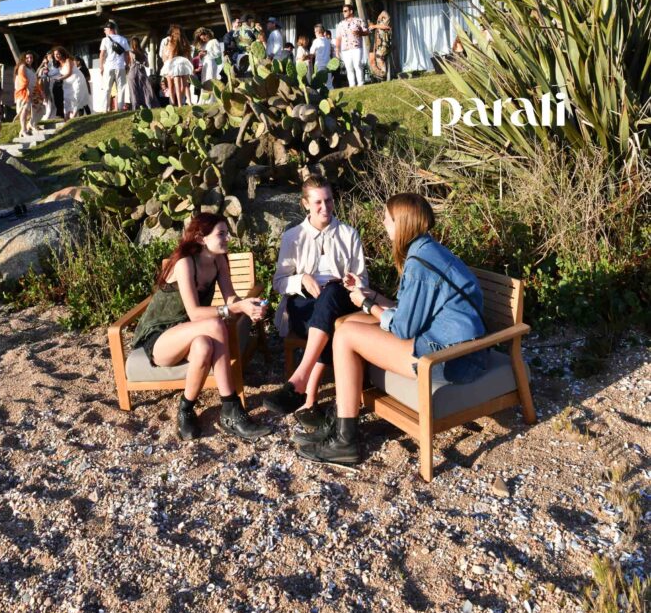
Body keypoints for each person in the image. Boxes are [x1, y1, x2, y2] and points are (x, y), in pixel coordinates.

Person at [294, 193, 488, 466]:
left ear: (402, 223)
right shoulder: (427, 250)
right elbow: (409, 311)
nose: (383, 223)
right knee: (346, 324)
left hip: (452, 359)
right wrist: (369, 296)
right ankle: (340, 422)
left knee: (346, 335)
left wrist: (367, 305)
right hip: (450, 345)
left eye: (387, 219)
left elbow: (403, 328)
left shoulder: (419, 263)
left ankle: (345, 442)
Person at [130, 213, 272, 441]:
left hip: (191, 330)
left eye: (227, 233)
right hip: (160, 337)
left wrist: (248, 306)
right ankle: (231, 407)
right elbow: (195, 313)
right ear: (201, 238)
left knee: (204, 346)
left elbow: (230, 298)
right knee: (215, 325)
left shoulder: (219, 260)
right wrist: (236, 308)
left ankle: (185, 409)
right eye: (221, 234)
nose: (227, 238)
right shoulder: (185, 263)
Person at [263, 176, 368, 425]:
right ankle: (309, 402)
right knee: (329, 324)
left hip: (340, 300)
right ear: (305, 204)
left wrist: (353, 283)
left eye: (328, 200)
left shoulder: (348, 234)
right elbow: (279, 282)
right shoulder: (293, 237)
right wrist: (301, 279)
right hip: (305, 305)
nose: (325, 207)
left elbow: (363, 280)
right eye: (318, 202)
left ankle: (300, 384)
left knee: (331, 294)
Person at [335, 3, 369, 87]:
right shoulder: (341, 24)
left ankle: (361, 83)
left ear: (351, 11)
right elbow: (338, 38)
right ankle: (352, 85)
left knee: (357, 65)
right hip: (345, 49)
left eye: (345, 11)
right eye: (343, 11)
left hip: (356, 47)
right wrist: (337, 49)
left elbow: (367, 31)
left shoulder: (359, 21)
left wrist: (360, 33)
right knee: (349, 67)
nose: (343, 13)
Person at [99, 20, 130, 112]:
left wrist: (101, 66)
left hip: (109, 66)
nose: (104, 31)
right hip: (120, 66)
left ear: (109, 29)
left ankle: (105, 109)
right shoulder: (123, 39)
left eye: (105, 30)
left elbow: (102, 54)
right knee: (121, 88)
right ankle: (120, 107)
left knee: (106, 88)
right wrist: (127, 65)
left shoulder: (105, 40)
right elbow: (127, 54)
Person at [53, 46, 91, 119]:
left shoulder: (68, 60)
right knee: (67, 99)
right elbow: (59, 74)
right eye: (54, 54)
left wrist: (60, 78)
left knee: (76, 97)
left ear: (62, 54)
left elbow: (69, 73)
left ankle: (73, 117)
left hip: (77, 80)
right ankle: (67, 118)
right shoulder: (58, 64)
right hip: (68, 83)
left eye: (57, 54)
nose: (56, 56)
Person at [161, 25, 193, 108]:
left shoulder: (184, 43)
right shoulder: (168, 41)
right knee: (171, 85)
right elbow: (165, 55)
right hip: (170, 64)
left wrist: (190, 66)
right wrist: (167, 66)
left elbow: (188, 55)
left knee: (183, 85)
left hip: (180, 64)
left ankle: (179, 101)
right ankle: (172, 103)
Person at [127, 37, 155, 109]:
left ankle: (135, 107)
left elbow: (129, 63)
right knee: (145, 89)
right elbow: (147, 65)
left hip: (132, 72)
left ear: (131, 44)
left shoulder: (130, 52)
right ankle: (148, 105)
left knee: (133, 91)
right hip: (142, 73)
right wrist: (142, 62)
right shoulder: (143, 52)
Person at [14, 51, 37, 135]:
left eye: (31, 57)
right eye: (27, 58)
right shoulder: (22, 66)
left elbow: (34, 81)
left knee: (33, 109)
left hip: (31, 91)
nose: (29, 59)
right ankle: (23, 129)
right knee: (24, 110)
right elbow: (22, 79)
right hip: (24, 92)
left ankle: (28, 126)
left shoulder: (32, 69)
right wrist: (27, 90)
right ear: (24, 59)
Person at [197, 29, 222, 103]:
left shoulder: (214, 41)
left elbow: (218, 53)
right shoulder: (204, 45)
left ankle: (211, 99)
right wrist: (200, 56)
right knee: (204, 81)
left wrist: (207, 52)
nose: (203, 39)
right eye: (202, 39)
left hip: (212, 63)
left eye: (204, 37)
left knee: (210, 79)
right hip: (205, 64)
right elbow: (202, 57)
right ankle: (204, 99)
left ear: (207, 34)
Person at [368, 11, 392, 81]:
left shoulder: (385, 14)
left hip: (382, 42)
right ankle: (379, 76)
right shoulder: (372, 19)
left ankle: (383, 75)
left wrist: (374, 26)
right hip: (374, 41)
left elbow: (387, 27)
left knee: (380, 58)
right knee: (372, 60)